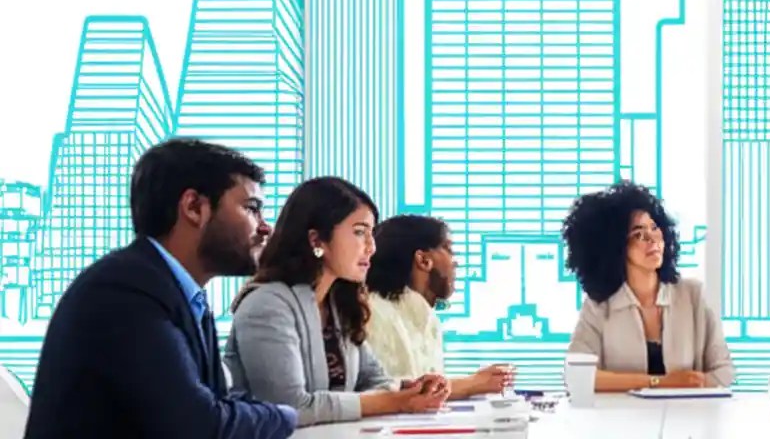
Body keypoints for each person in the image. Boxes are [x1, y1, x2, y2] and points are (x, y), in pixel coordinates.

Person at [23, 138, 296, 438]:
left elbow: (215, 404)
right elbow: (199, 427)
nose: (265, 227)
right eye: (251, 208)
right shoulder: (122, 292)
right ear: (194, 207)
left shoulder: (178, 292)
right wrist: (285, 415)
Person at [224, 176, 449, 427]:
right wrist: (395, 401)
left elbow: (374, 380)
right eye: (359, 232)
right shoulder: (267, 305)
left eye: (371, 234)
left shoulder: (338, 303)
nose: (371, 247)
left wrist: (407, 389)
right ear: (317, 240)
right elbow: (289, 407)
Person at [563, 181, 734, 390]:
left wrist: (693, 384)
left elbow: (724, 372)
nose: (652, 239)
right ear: (614, 247)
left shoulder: (693, 295)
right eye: (638, 234)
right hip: (620, 421)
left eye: (654, 228)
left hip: (688, 418)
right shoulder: (599, 306)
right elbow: (576, 377)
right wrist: (659, 383)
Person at [365, 214, 516, 397]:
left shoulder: (427, 320)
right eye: (448, 249)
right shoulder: (372, 313)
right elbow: (396, 395)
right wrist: (473, 383)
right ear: (423, 261)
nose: (455, 262)